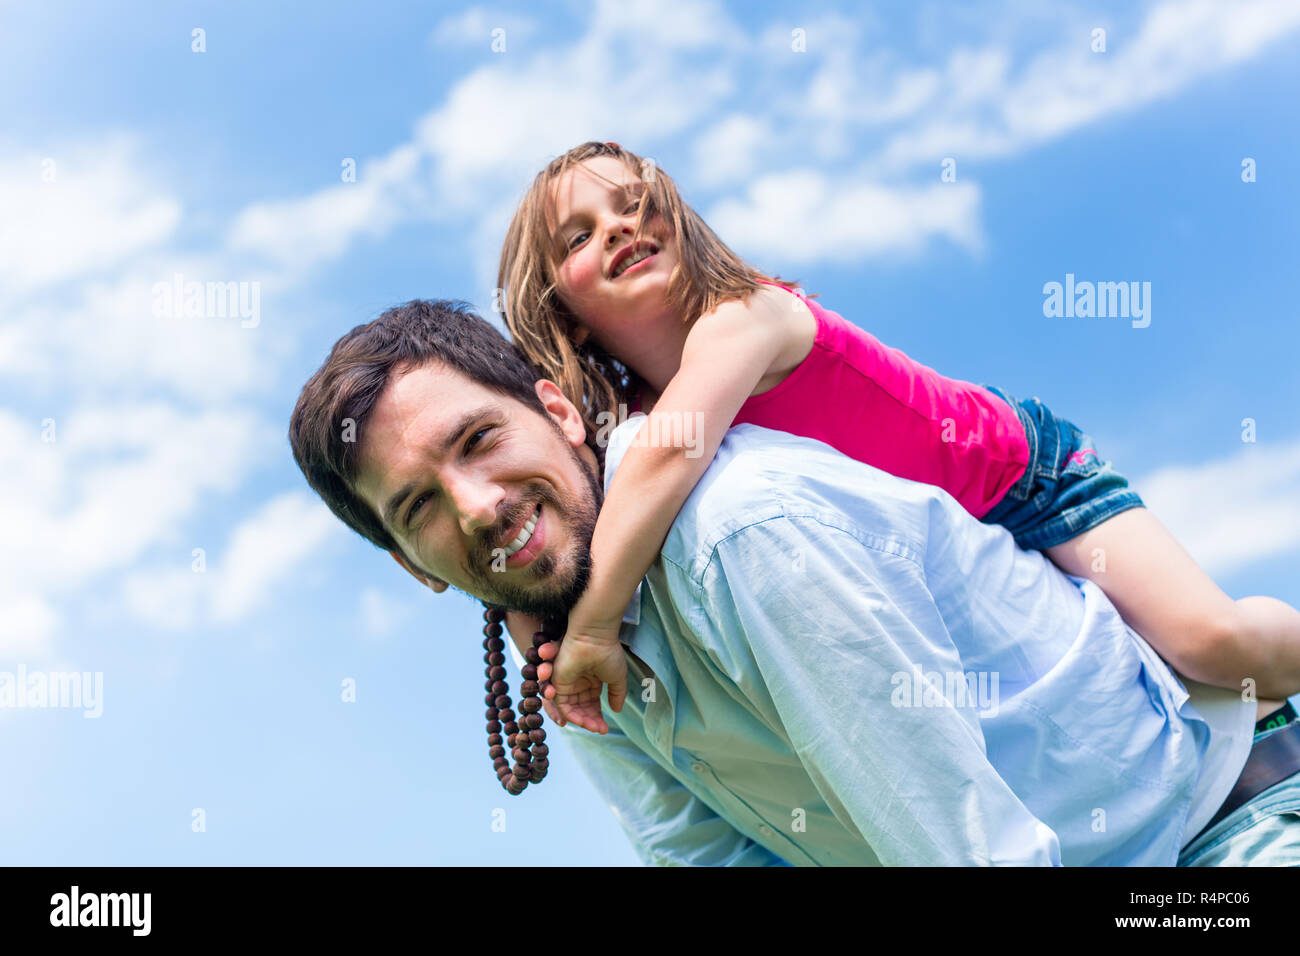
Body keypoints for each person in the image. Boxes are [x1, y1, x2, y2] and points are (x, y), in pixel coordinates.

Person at [288, 300, 1300, 865]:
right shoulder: (565, 651)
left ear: (558, 411)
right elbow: (713, 861)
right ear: (408, 565)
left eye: (478, 439)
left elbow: (976, 856)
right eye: (417, 506)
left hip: (1220, 824)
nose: (475, 505)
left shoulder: (746, 532)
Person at [495, 141, 1300, 734]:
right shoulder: (625, 419)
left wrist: (593, 629)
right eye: (578, 236)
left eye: (635, 202)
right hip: (928, 560)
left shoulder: (744, 315)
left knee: (1214, 648)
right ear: (562, 307)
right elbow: (584, 525)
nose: (618, 227)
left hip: (1019, 483)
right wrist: (541, 632)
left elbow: (671, 456)